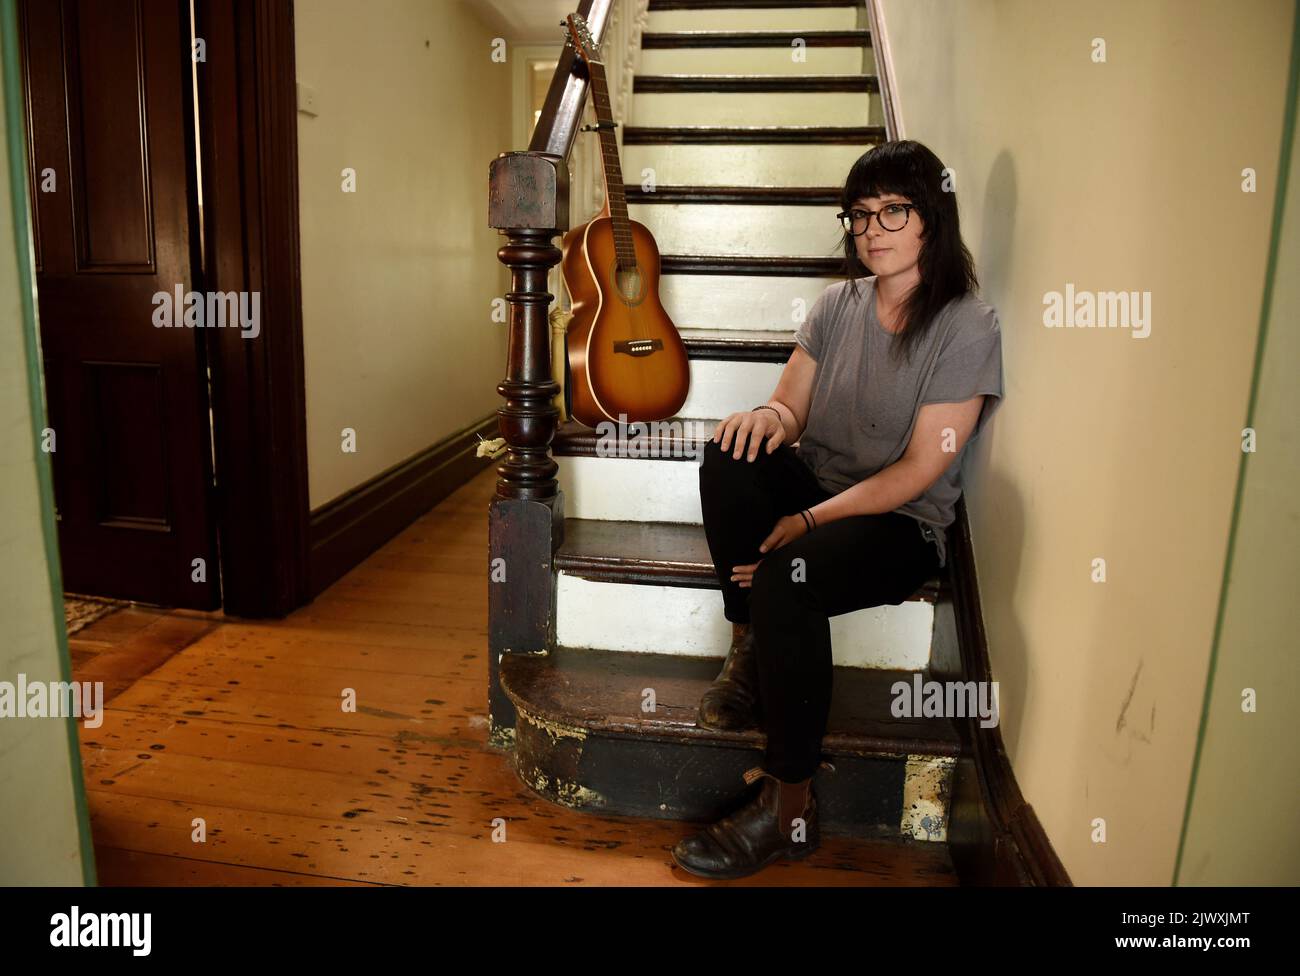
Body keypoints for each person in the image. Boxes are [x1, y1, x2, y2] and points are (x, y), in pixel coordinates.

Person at [671, 140, 1006, 880]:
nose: (871, 230)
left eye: (893, 211)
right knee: (728, 453)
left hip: (901, 523)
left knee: (789, 576)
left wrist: (809, 524)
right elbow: (790, 408)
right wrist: (766, 419)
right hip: (821, 485)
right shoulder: (836, 305)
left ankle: (789, 807)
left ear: (932, 218)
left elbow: (919, 469)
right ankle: (749, 644)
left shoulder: (966, 324)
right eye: (859, 214)